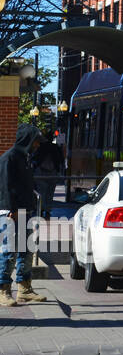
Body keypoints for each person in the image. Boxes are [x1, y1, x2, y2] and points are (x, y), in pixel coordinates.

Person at [0, 125, 47, 306]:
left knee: (26, 251)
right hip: (11, 212)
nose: (37, 144)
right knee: (9, 251)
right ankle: (3, 290)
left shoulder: (24, 158)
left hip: (25, 212)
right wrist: (12, 209)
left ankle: (24, 288)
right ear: (27, 139)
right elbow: (5, 186)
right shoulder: (9, 158)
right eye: (35, 140)